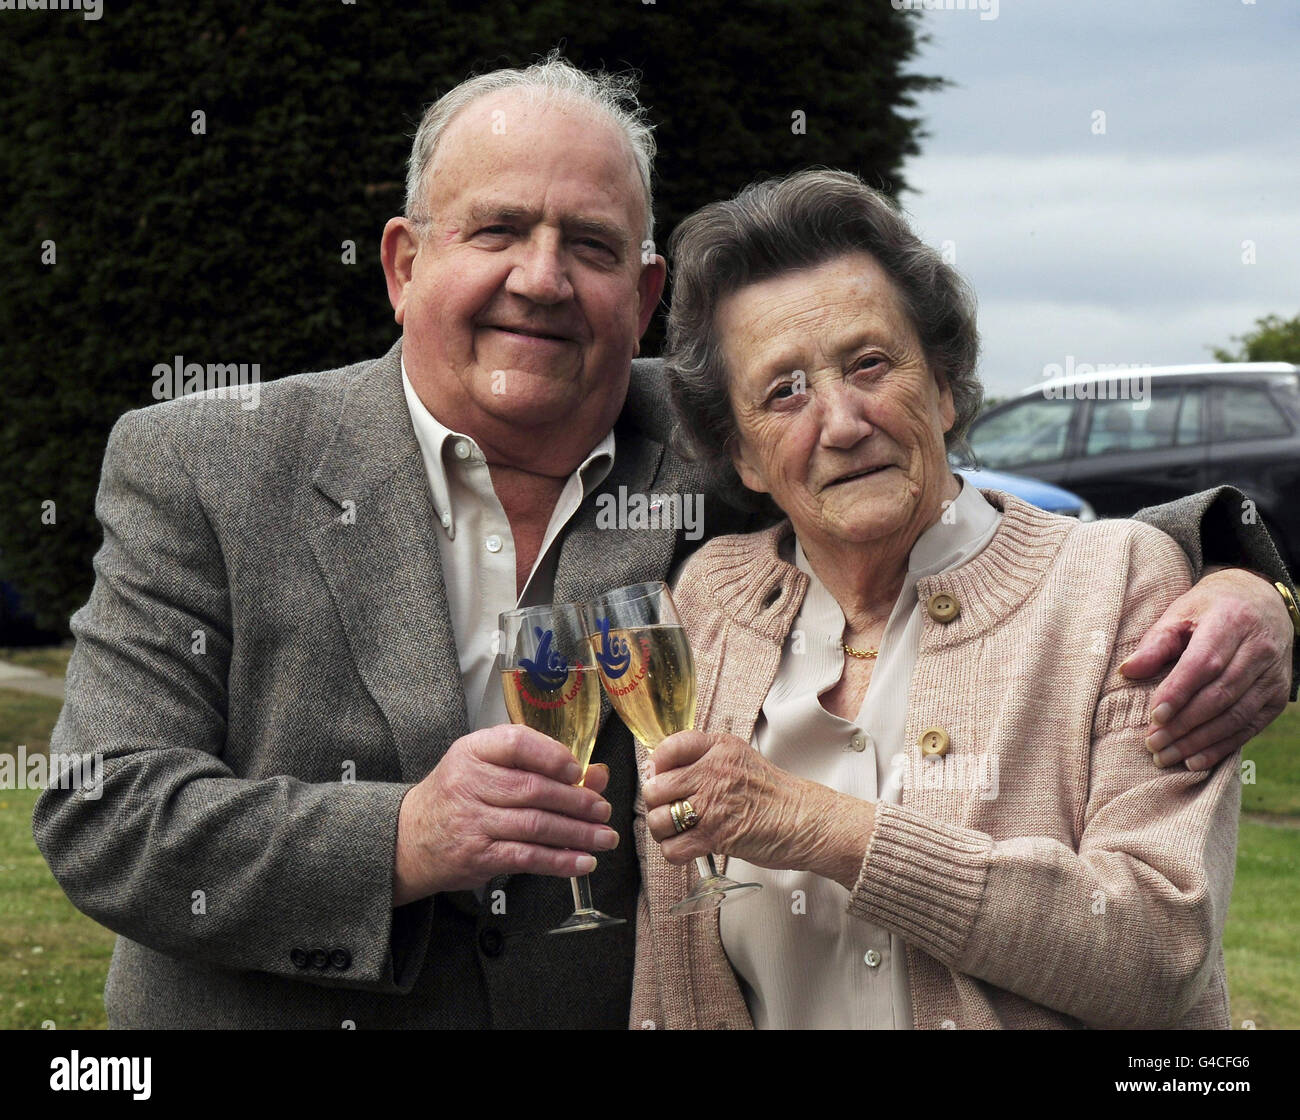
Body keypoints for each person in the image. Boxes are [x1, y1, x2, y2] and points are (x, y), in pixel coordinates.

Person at [32, 57, 1298, 1030]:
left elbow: (939, 496)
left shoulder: (721, 438)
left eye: (589, 246)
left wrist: (1242, 569)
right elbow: (104, 811)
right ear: (405, 263)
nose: (541, 277)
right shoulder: (205, 460)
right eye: (496, 232)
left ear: (640, 300)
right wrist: (402, 837)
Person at [630, 168, 1292, 1030]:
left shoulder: (1119, 586)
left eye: (870, 363)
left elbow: (1152, 950)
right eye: (783, 391)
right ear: (744, 457)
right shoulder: (707, 606)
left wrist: (818, 825)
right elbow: (669, 977)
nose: (839, 421)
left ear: (943, 386)